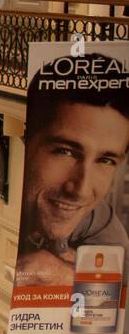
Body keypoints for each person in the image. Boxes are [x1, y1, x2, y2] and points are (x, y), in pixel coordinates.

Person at [14, 51, 129, 289]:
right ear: (27, 140)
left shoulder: (95, 218)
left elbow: (123, 294)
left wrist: (63, 275)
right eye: (65, 151)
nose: (81, 190)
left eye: (105, 160)